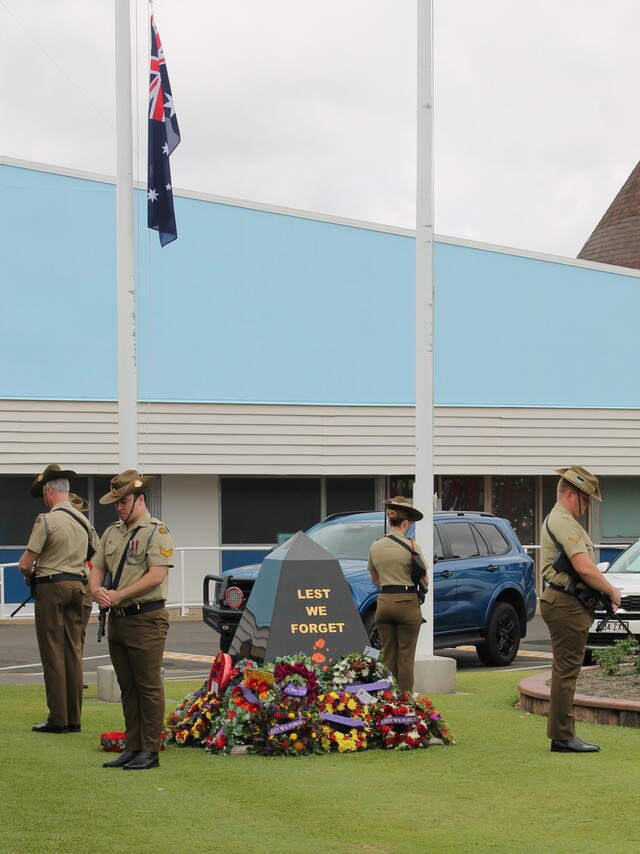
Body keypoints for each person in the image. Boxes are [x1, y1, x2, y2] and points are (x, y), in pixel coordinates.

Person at [89, 469, 175, 770]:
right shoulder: (112, 532)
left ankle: (150, 750)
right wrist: (96, 590)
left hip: (146, 618)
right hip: (119, 619)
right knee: (127, 685)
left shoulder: (156, 531)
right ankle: (133, 746)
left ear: (140, 499)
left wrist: (119, 595)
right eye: (116, 503)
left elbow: (156, 575)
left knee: (148, 686)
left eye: (124, 502)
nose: (119, 508)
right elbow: (96, 566)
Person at [540, 465, 621, 753]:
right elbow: (584, 567)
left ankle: (562, 734)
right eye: (586, 499)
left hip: (566, 601)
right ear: (571, 495)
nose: (587, 506)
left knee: (565, 670)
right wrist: (611, 590)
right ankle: (563, 736)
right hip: (566, 603)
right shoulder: (563, 521)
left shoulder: (564, 520)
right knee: (567, 672)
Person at [18, 464, 90, 733]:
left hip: (52, 587)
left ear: (49, 491)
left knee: (52, 653)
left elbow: (25, 563)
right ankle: (74, 719)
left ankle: (58, 719)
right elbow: (93, 554)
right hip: (79, 587)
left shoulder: (46, 520)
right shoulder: (83, 521)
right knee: (73, 652)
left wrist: (29, 576)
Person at [367, 496, 428, 694]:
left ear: (390, 520)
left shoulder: (376, 546)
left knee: (388, 655)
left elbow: (374, 578)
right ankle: (404, 701)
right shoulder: (412, 546)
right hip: (407, 603)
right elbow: (425, 580)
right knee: (406, 656)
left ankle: (386, 698)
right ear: (405, 523)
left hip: (384, 603)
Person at [68, 493, 100, 658]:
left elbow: (97, 558)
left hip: (80, 582)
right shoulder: (87, 527)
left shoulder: (87, 529)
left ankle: (73, 670)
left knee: (75, 632)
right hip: (80, 583)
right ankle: (74, 669)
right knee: (76, 633)